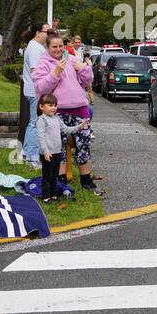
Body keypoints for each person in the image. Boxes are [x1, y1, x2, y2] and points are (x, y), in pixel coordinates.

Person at [32, 32, 101, 195]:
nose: (58, 49)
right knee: (58, 146)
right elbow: (41, 89)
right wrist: (54, 73)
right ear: (47, 48)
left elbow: (88, 80)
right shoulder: (43, 63)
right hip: (58, 111)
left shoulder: (71, 59)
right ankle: (60, 179)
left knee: (84, 144)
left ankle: (86, 180)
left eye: (60, 46)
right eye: (54, 47)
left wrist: (83, 68)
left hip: (79, 108)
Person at [37, 93, 88, 202]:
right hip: (47, 153)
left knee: (55, 175)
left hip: (57, 152)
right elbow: (41, 137)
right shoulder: (42, 120)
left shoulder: (56, 119)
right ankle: (46, 197)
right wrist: (45, 151)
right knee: (47, 175)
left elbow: (66, 130)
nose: (53, 108)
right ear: (41, 107)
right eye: (50, 105)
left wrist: (79, 127)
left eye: (55, 105)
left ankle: (54, 195)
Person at [19, 22, 48, 168]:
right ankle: (31, 157)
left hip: (35, 90)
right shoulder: (35, 48)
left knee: (34, 122)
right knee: (35, 123)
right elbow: (36, 72)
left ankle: (26, 153)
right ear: (38, 32)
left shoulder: (36, 46)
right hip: (35, 90)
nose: (48, 35)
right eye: (46, 32)